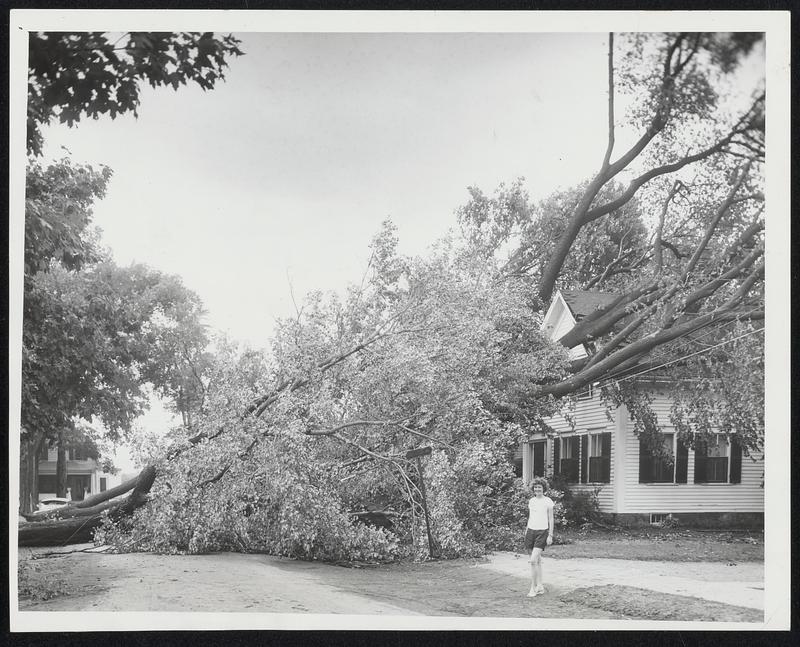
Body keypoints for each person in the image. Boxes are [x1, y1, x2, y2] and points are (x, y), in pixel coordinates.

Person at [525, 477, 554, 597]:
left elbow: (551, 519)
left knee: (532, 561)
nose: (537, 489)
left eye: (540, 487)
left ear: (544, 488)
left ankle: (533, 588)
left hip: (542, 532)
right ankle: (540, 585)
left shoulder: (548, 501)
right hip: (531, 531)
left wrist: (550, 535)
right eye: (536, 487)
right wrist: (526, 531)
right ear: (533, 488)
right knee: (537, 560)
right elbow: (530, 517)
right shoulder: (531, 501)